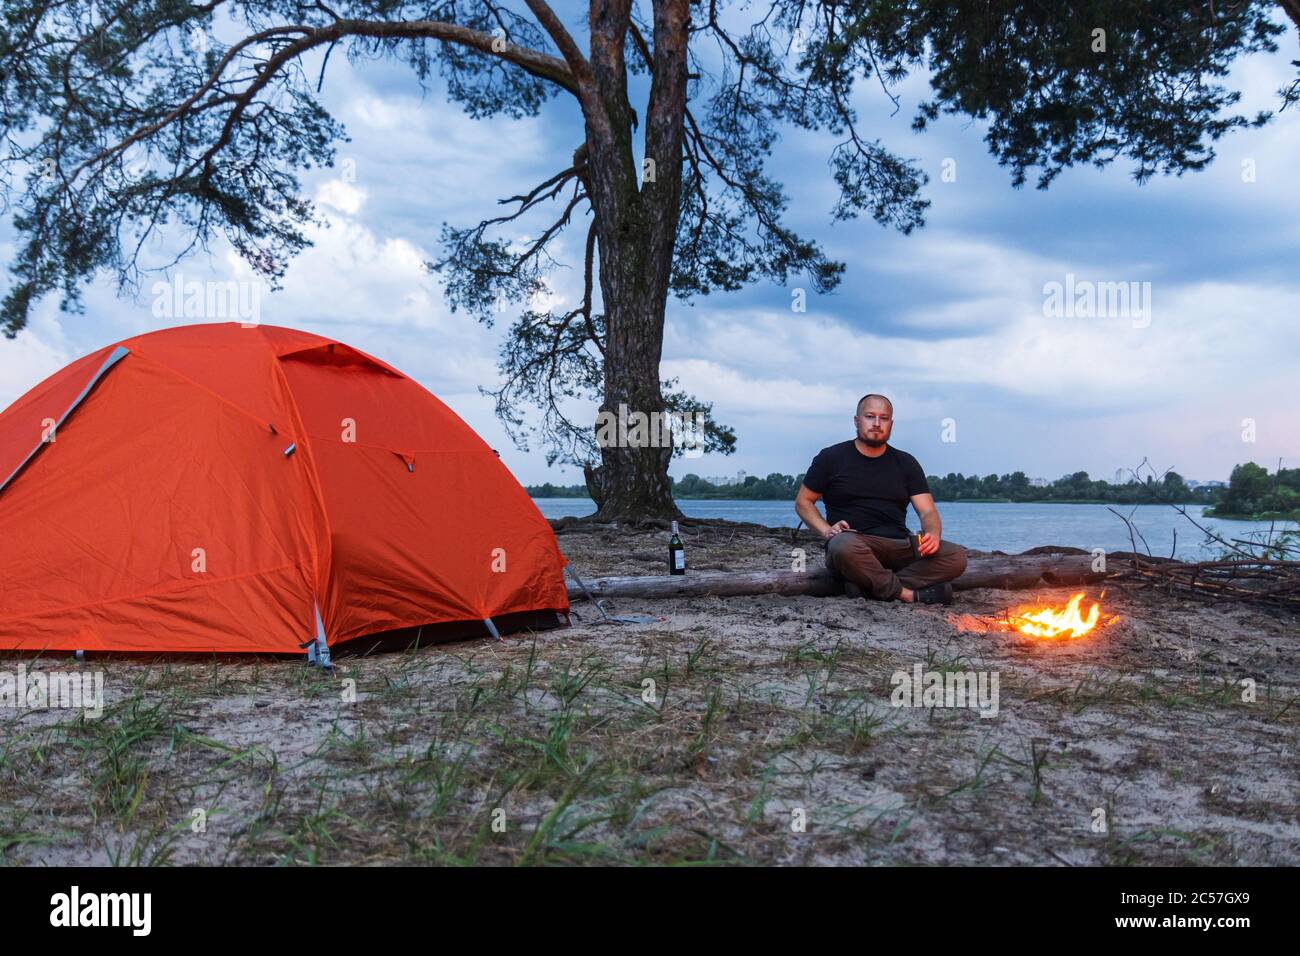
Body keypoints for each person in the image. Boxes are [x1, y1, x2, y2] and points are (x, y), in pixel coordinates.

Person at [794, 393, 967, 605]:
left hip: (898, 545)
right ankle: (907, 594)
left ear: (891, 424)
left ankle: (868, 586)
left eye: (883, 418)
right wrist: (826, 530)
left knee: (955, 556)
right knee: (842, 546)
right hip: (853, 542)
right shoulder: (831, 458)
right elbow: (803, 502)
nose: (877, 423)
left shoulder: (906, 463)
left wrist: (932, 533)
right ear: (856, 421)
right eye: (869, 416)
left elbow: (927, 511)